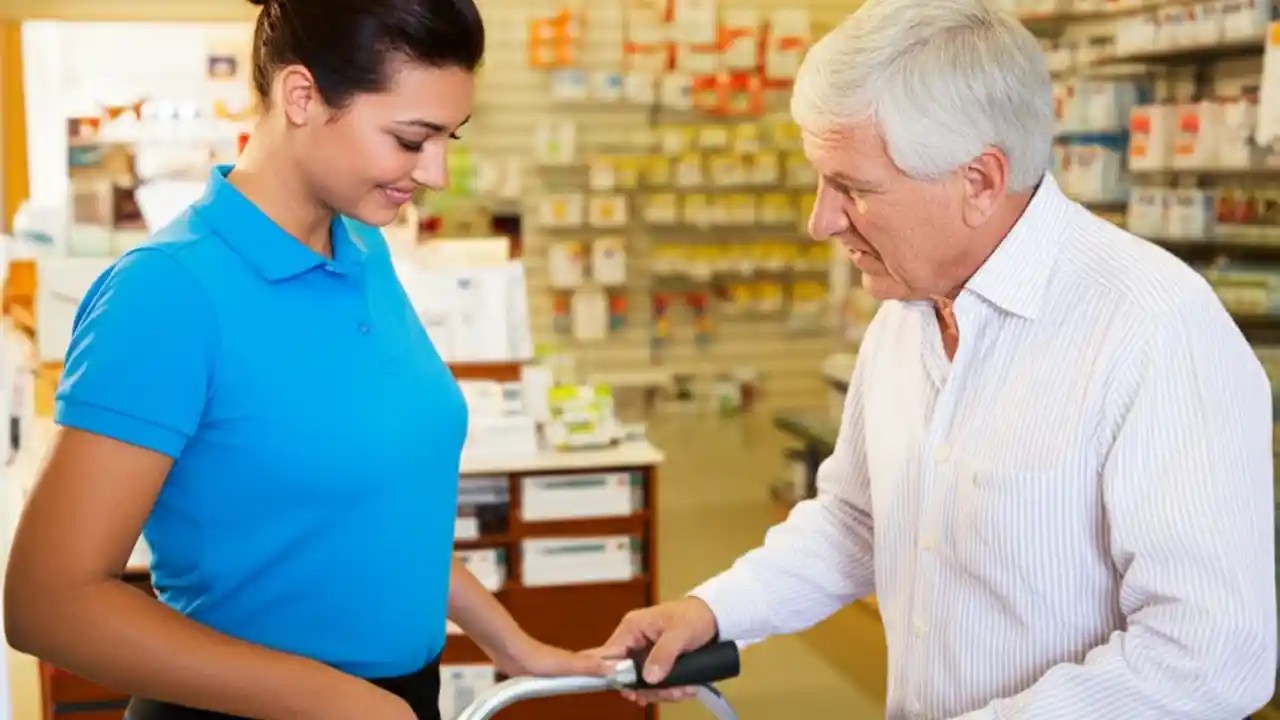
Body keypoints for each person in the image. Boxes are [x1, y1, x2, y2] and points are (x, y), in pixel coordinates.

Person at [600, 0, 1278, 717]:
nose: (820, 220)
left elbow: (1211, 656)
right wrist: (713, 610)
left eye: (854, 189)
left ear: (980, 182)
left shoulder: (1152, 329)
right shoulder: (906, 315)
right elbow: (861, 520)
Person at [3, 1, 614, 719]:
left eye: (450, 137)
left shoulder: (363, 253)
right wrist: (339, 702)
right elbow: (49, 604)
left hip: (394, 701)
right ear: (301, 96)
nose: (437, 172)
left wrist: (510, 642)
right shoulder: (168, 292)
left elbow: (372, 509)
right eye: (411, 138)